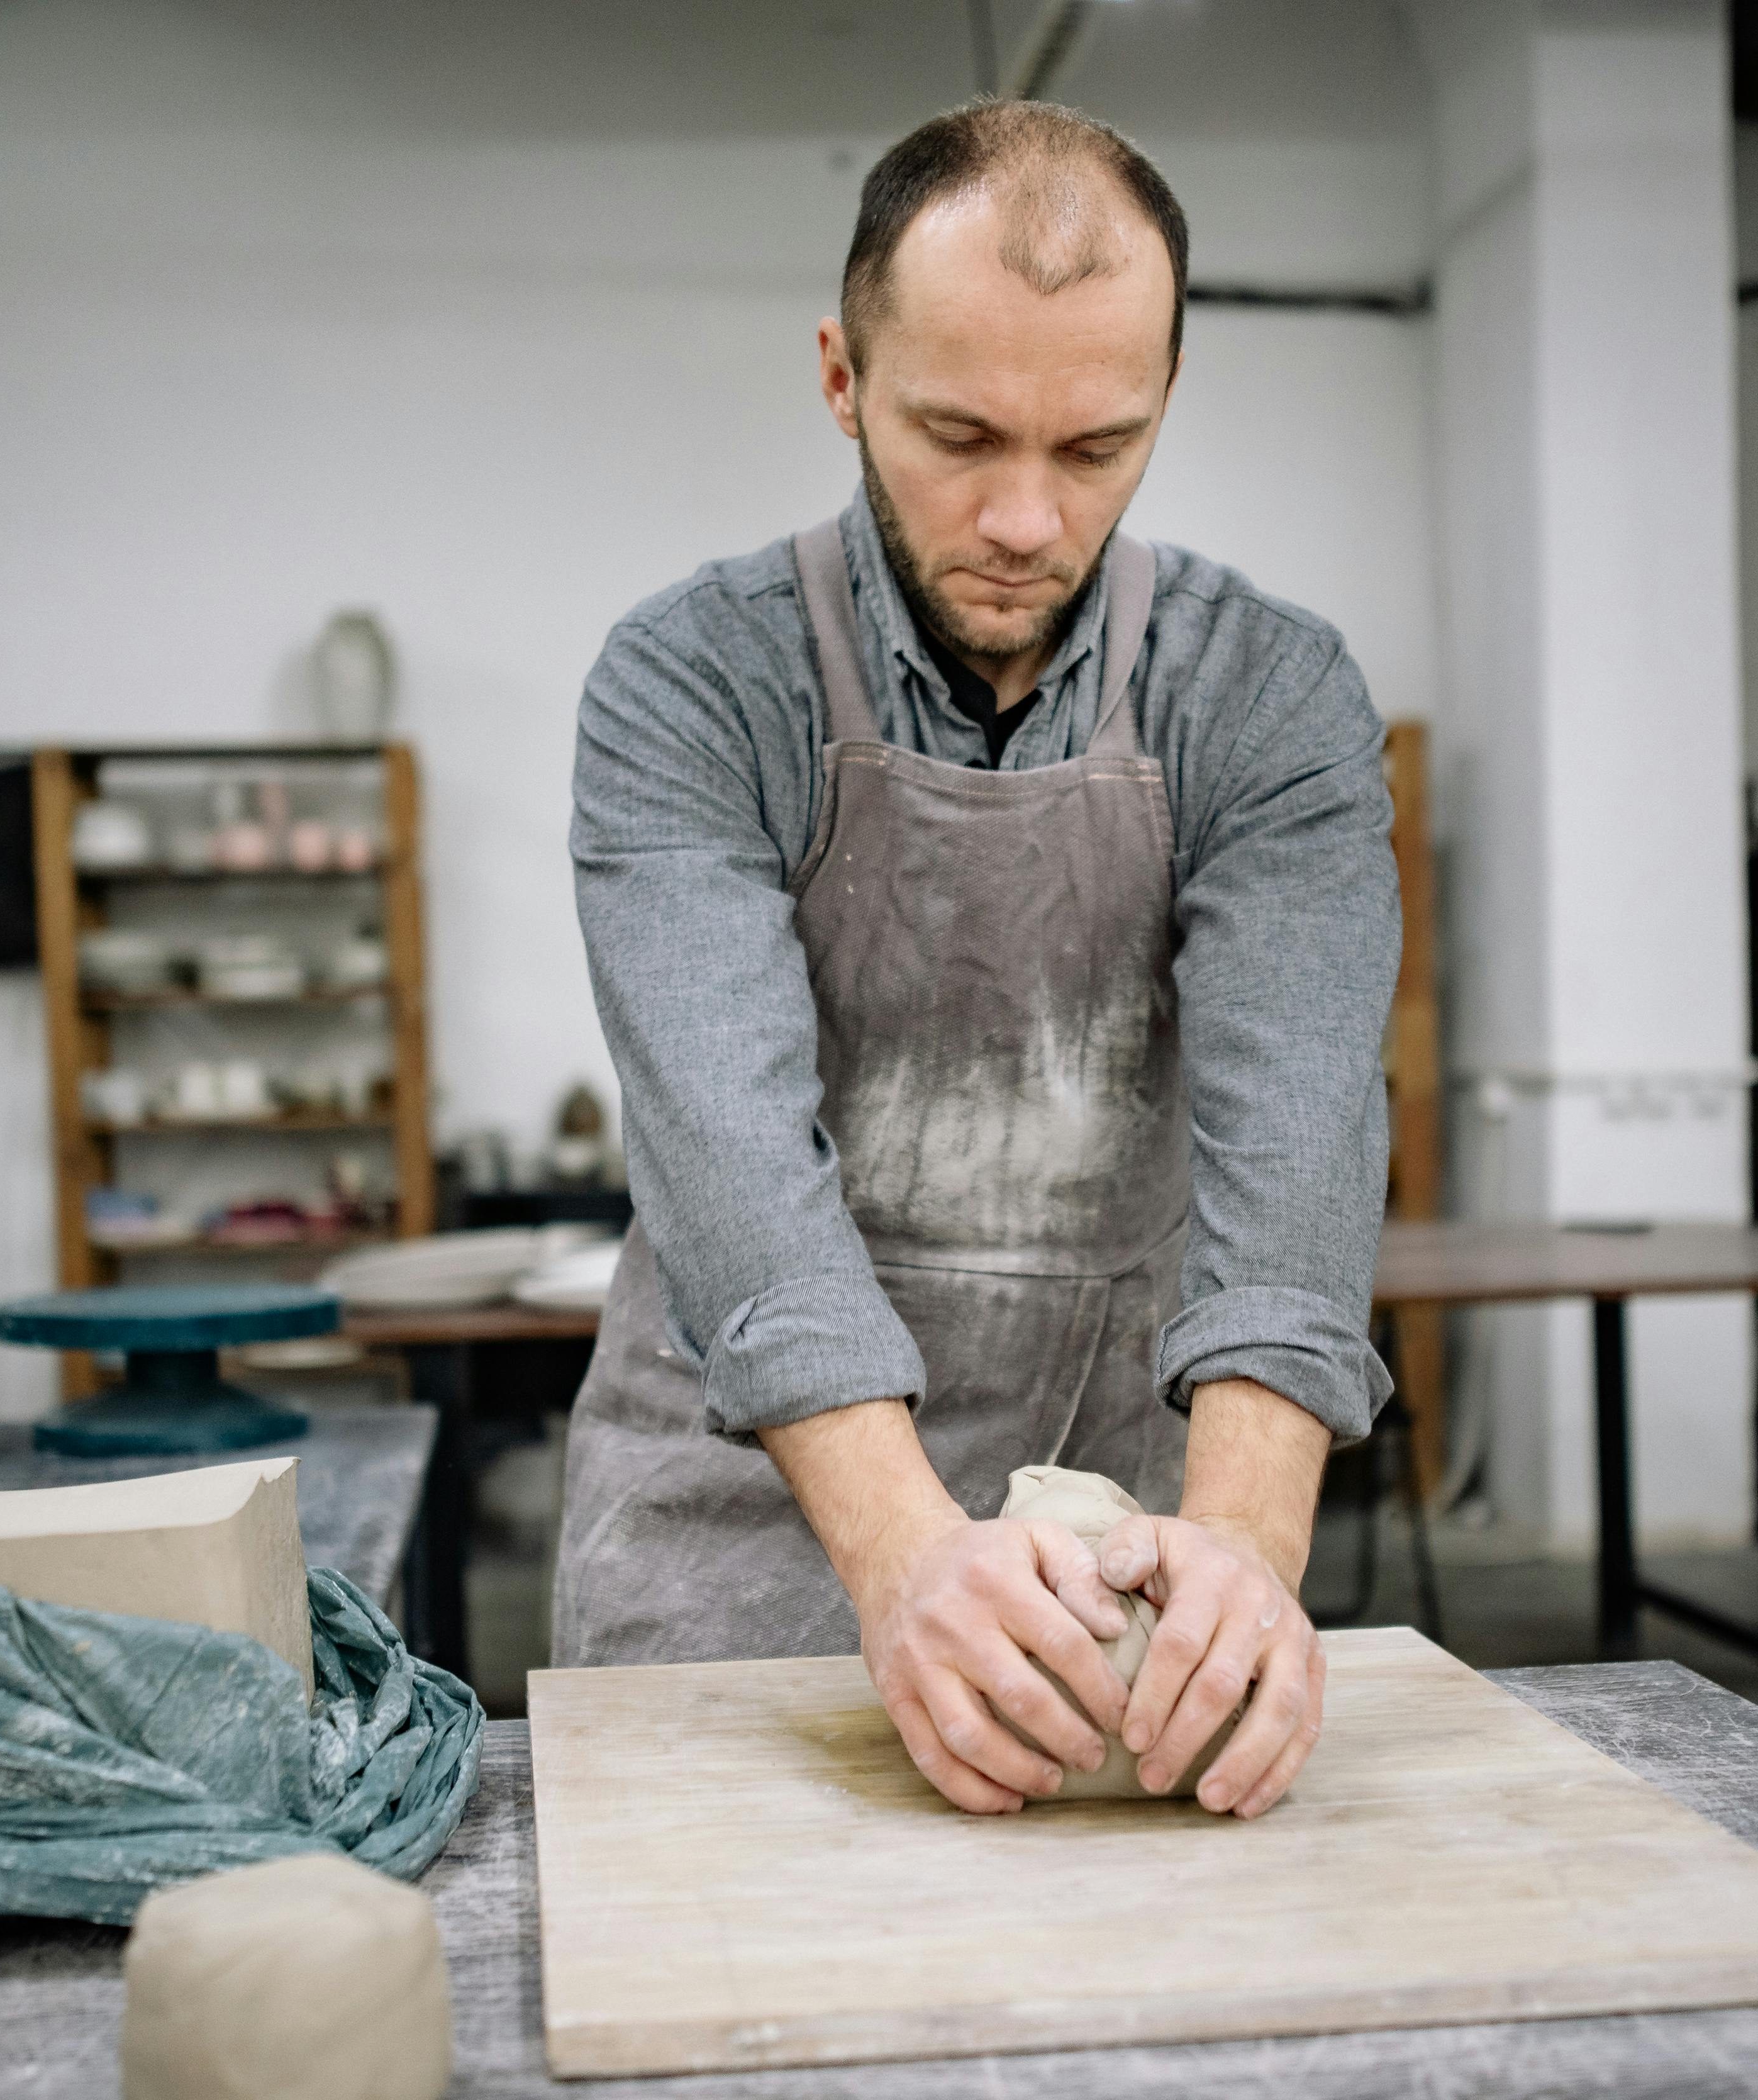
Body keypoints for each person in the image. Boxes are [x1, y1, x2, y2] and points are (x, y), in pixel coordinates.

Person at [555, 99, 1397, 1825]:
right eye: (959, 434)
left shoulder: (1274, 703)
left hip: (1120, 1519)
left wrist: (1243, 1547)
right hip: (743, 1514)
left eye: (1098, 448)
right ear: (843, 374)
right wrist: (899, 1549)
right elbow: (731, 1170)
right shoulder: (689, 688)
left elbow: (1297, 1159)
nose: (1025, 514)